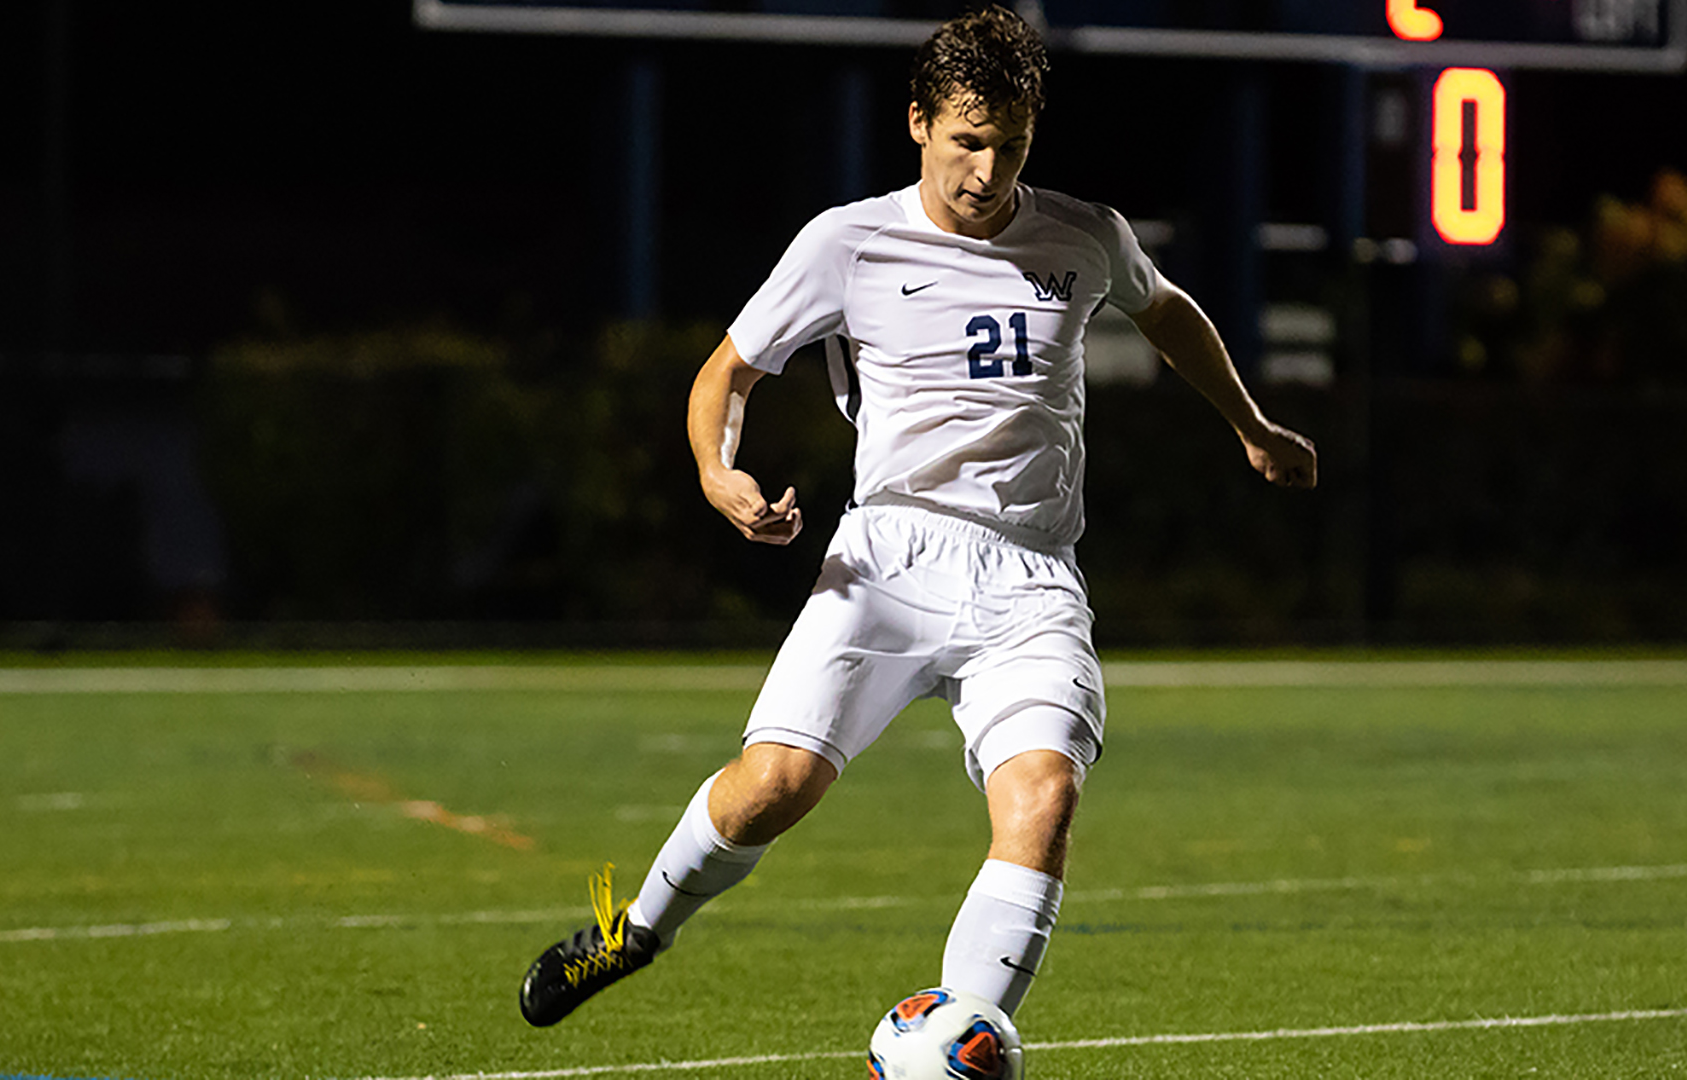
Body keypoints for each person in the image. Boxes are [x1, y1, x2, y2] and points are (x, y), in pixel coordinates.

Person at [518, 3, 1316, 1030]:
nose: (986, 172)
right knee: (775, 785)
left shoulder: (1085, 236)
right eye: (967, 143)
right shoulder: (847, 243)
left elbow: (1164, 309)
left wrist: (1249, 423)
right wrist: (721, 474)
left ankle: (959, 1042)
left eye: (1011, 146)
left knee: (1044, 802)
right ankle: (638, 929)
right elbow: (727, 374)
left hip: (1032, 577)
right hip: (889, 557)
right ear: (917, 125)